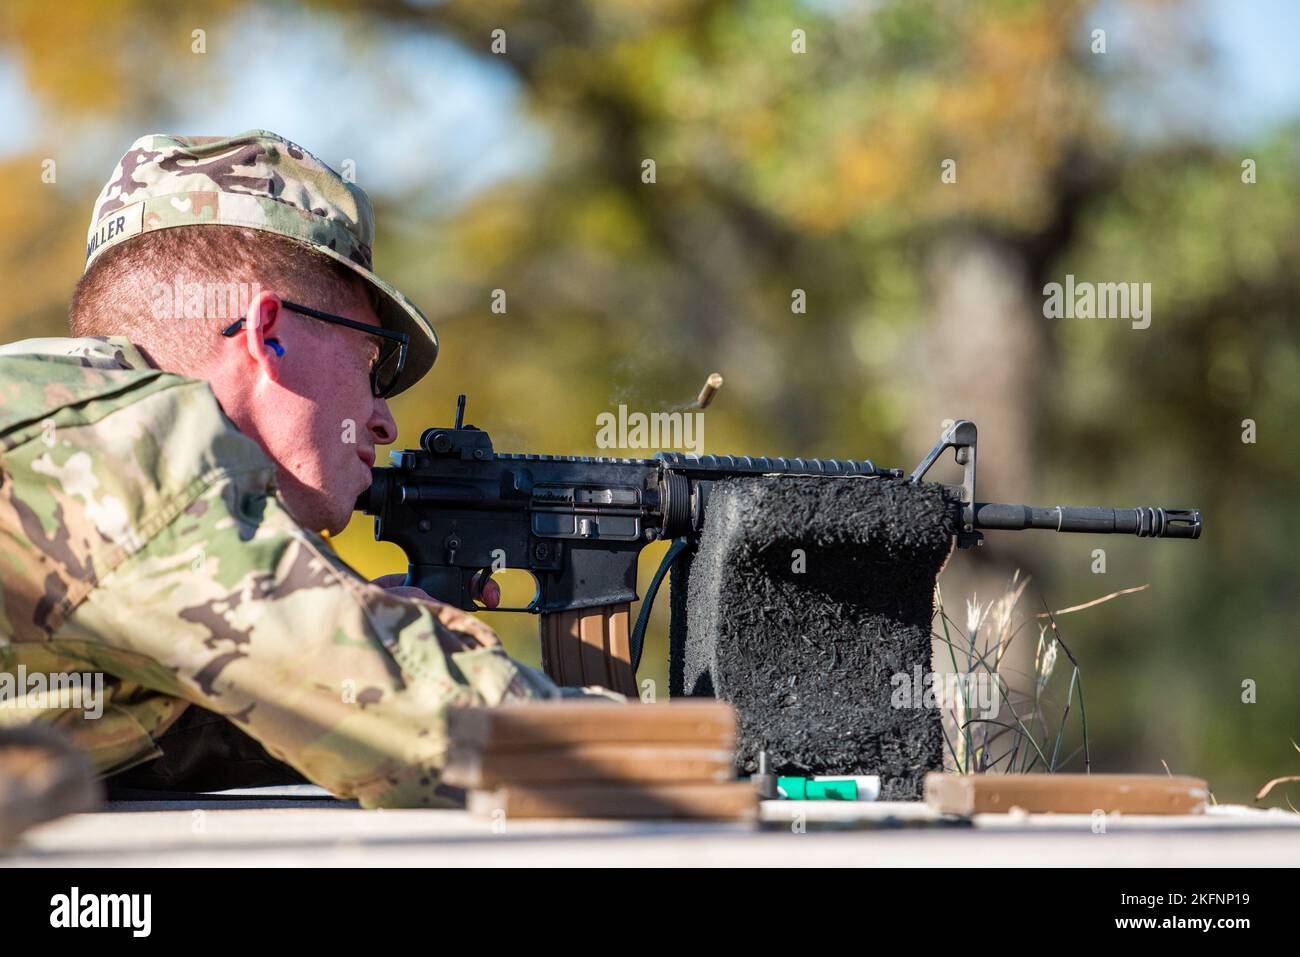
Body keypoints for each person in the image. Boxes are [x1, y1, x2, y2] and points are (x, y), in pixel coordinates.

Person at [0, 130, 610, 810]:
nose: (384, 420)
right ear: (268, 332)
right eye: (373, 363)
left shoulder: (54, 423)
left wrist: (351, 620)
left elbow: (143, 733)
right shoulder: (114, 441)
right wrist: (673, 740)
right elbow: (425, 728)